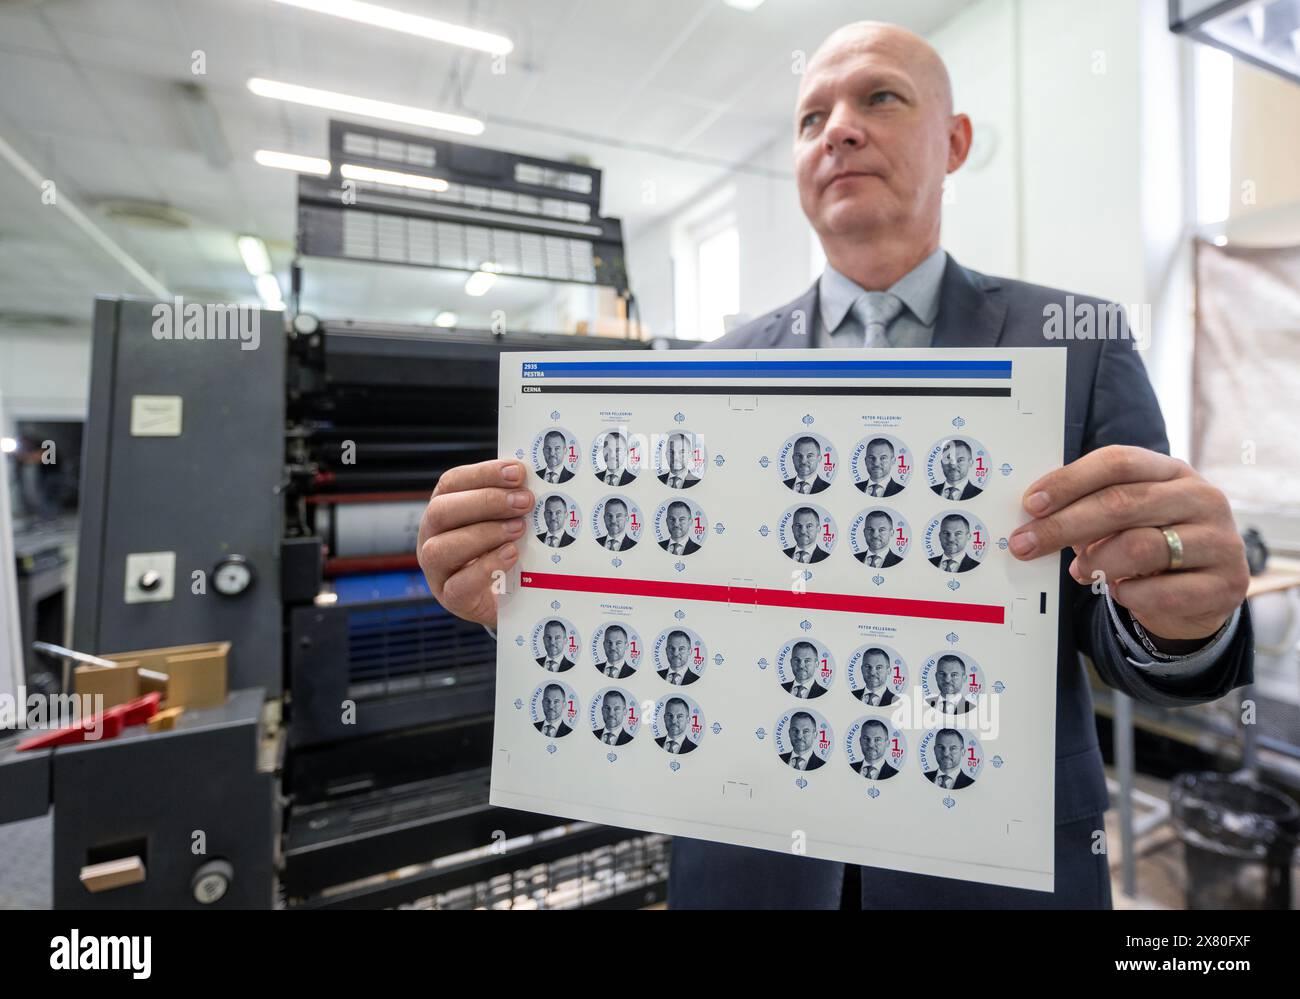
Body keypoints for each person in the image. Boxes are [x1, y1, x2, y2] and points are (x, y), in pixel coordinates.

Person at [416, 21, 1254, 909]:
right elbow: (653, 606)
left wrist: (1185, 622)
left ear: (955, 140)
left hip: (992, 864)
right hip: (749, 861)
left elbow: (1128, 624)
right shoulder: (704, 374)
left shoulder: (1077, 342)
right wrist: (519, 593)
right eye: (812, 117)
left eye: (879, 98)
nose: (839, 129)